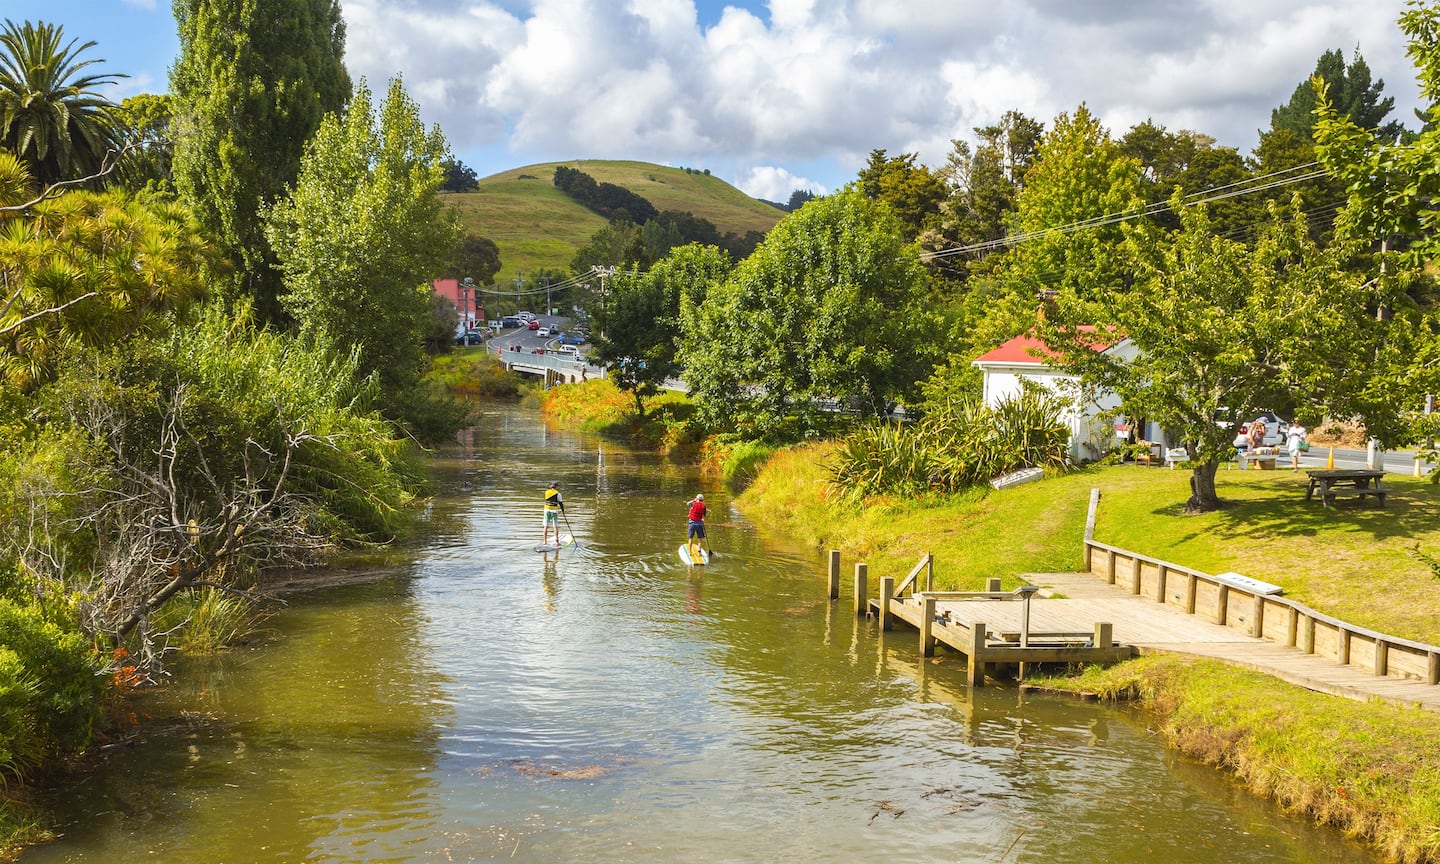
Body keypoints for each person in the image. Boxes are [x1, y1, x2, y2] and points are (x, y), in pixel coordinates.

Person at [542, 480, 565, 546]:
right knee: (555, 526)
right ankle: (557, 542)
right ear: (556, 487)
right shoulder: (558, 494)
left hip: (546, 510)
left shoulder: (546, 492)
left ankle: (544, 541)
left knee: (545, 526)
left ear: (551, 486)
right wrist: (563, 511)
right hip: (554, 511)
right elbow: (560, 503)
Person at [686, 493, 707, 560]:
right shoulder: (704, 506)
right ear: (702, 500)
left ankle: (689, 552)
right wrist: (703, 520)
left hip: (692, 523)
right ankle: (699, 552)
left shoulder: (693, 503)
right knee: (700, 538)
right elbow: (703, 517)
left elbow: (687, 503)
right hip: (699, 524)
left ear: (697, 499)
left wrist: (694, 500)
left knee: (690, 538)